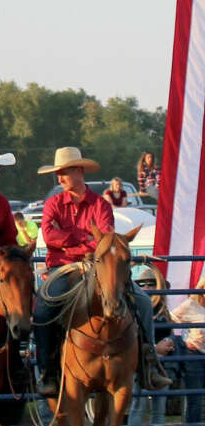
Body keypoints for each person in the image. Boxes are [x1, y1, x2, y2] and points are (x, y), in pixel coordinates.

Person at [32, 147, 171, 396]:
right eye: (58, 174)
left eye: (64, 173)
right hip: (63, 268)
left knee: (143, 302)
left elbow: (104, 242)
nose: (60, 178)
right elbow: (49, 236)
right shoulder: (53, 203)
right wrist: (84, 239)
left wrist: (74, 241)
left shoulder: (100, 206)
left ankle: (150, 364)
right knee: (43, 308)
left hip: (97, 267)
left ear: (79, 171)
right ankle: (47, 370)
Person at [129, 266, 174, 426]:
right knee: (137, 406)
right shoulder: (133, 308)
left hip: (160, 363)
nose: (147, 287)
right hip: (140, 362)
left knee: (158, 409)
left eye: (151, 283)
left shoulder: (165, 312)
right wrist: (157, 348)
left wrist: (171, 344)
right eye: (143, 284)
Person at [171, 277, 205, 426]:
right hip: (194, 355)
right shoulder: (190, 305)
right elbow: (171, 318)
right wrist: (179, 343)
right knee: (194, 401)